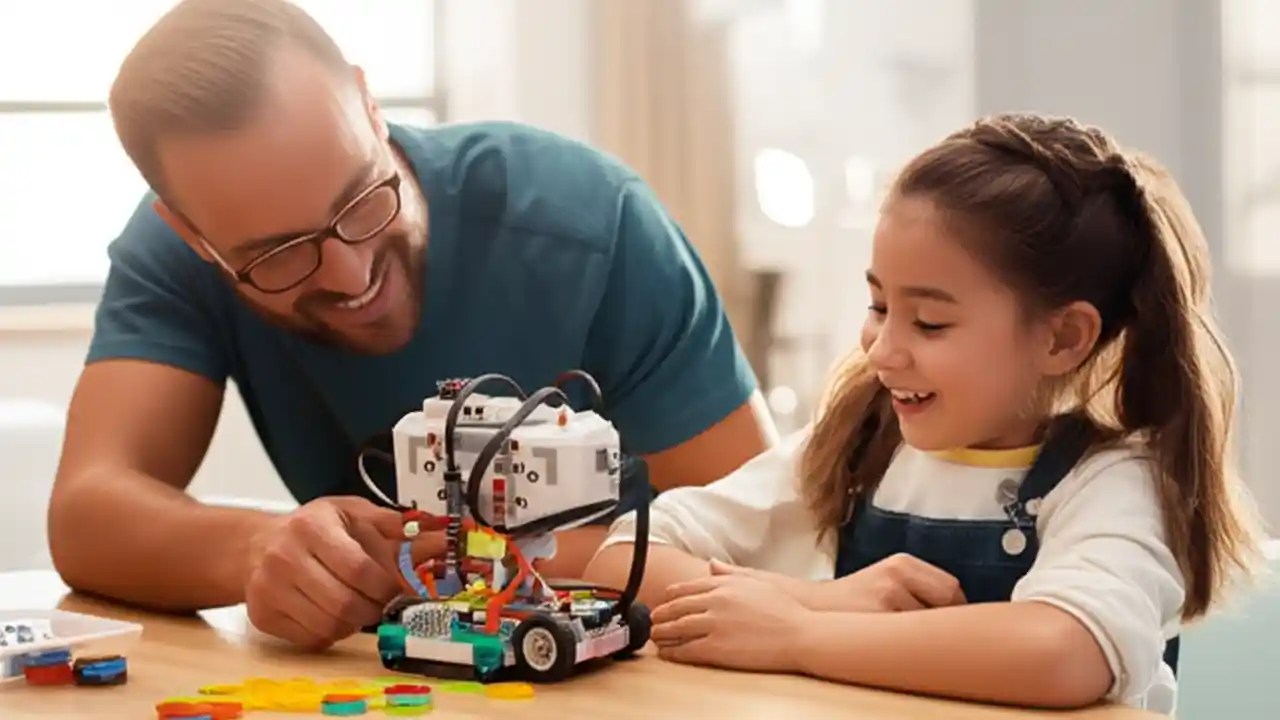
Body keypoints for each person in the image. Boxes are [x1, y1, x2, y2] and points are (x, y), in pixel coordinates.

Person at [47, 0, 776, 651]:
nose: (350, 274)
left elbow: (760, 529)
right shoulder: (174, 256)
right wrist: (257, 548)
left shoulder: (590, 225)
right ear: (191, 236)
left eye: (360, 199)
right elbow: (88, 515)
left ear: (368, 106)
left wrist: (455, 565)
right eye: (280, 256)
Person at [584, 113, 1266, 713]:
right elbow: (622, 561)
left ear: (1061, 338)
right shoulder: (859, 446)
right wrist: (824, 601)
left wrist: (799, 633)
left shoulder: (1112, 481)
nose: (883, 348)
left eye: (930, 323)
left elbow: (1064, 650)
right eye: (879, 306)